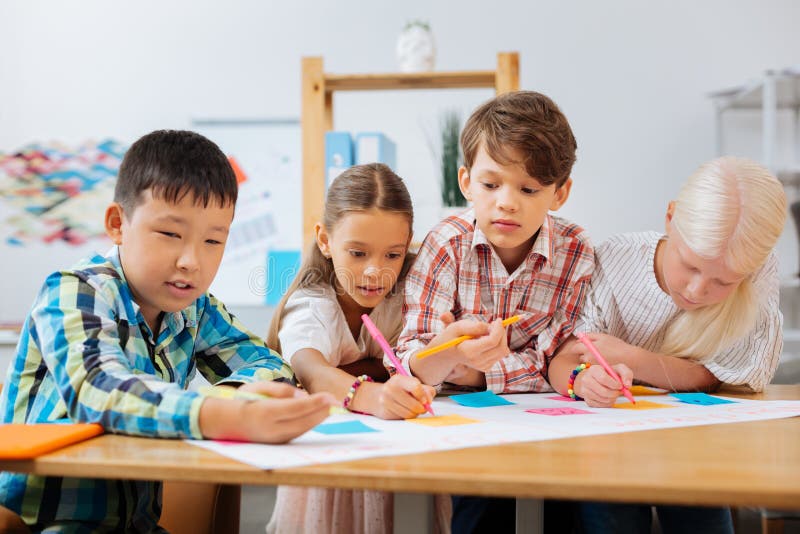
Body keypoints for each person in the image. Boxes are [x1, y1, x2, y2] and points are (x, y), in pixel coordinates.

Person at [0, 130, 336, 532]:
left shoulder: (194, 308)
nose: (191, 261)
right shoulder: (75, 291)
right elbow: (98, 389)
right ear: (117, 224)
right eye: (170, 234)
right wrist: (219, 414)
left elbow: (270, 364)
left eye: (213, 240)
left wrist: (236, 396)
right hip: (47, 521)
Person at [548, 156, 787, 534]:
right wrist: (582, 380)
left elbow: (725, 376)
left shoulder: (756, 268)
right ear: (670, 218)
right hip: (608, 448)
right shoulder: (615, 259)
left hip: (700, 448)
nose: (697, 291)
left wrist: (633, 359)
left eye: (723, 282)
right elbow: (564, 361)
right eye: (689, 265)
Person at [395, 91, 594, 533]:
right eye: (491, 185)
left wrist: (473, 371)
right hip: (468, 427)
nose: (506, 202)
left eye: (529, 189)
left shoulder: (575, 252)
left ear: (559, 193)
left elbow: (557, 360)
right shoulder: (446, 245)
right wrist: (449, 355)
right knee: (479, 515)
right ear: (465, 181)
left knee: (563, 513)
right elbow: (408, 361)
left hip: (550, 428)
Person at [264, 163, 439, 534]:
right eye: (358, 254)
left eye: (392, 255)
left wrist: (370, 369)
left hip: (407, 459)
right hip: (334, 468)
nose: (375, 271)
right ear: (325, 241)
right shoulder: (312, 304)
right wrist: (372, 391)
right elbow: (311, 373)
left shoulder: (409, 295)